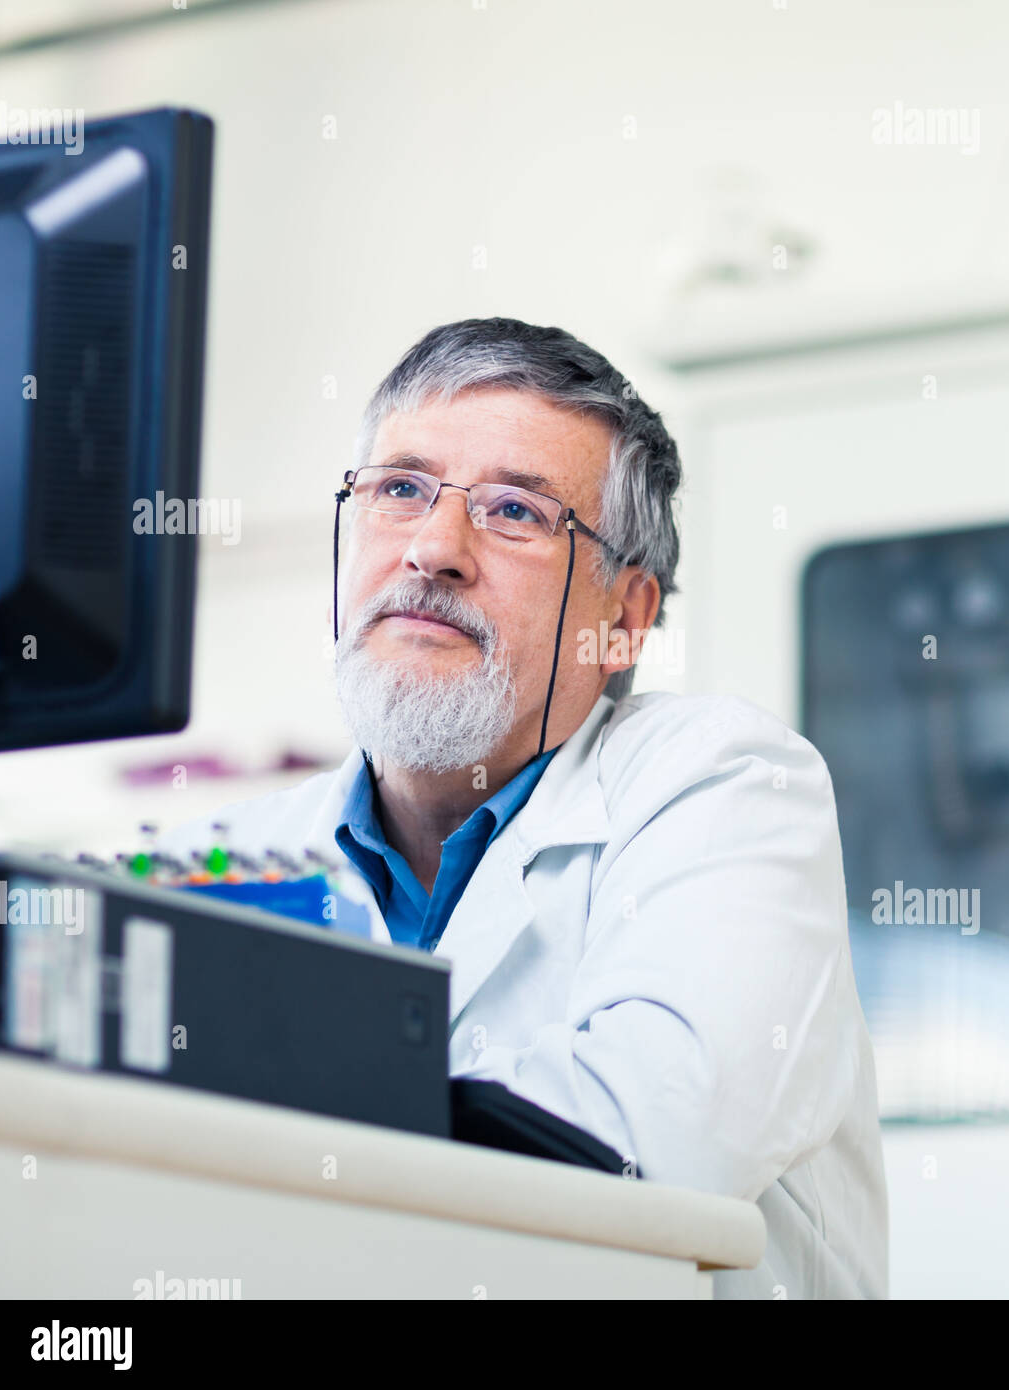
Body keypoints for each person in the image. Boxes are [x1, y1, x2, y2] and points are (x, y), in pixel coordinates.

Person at [162, 317, 888, 1299]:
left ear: (623, 619)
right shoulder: (227, 855)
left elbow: (646, 1149)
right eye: (400, 489)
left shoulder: (724, 783)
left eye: (513, 511)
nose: (432, 547)